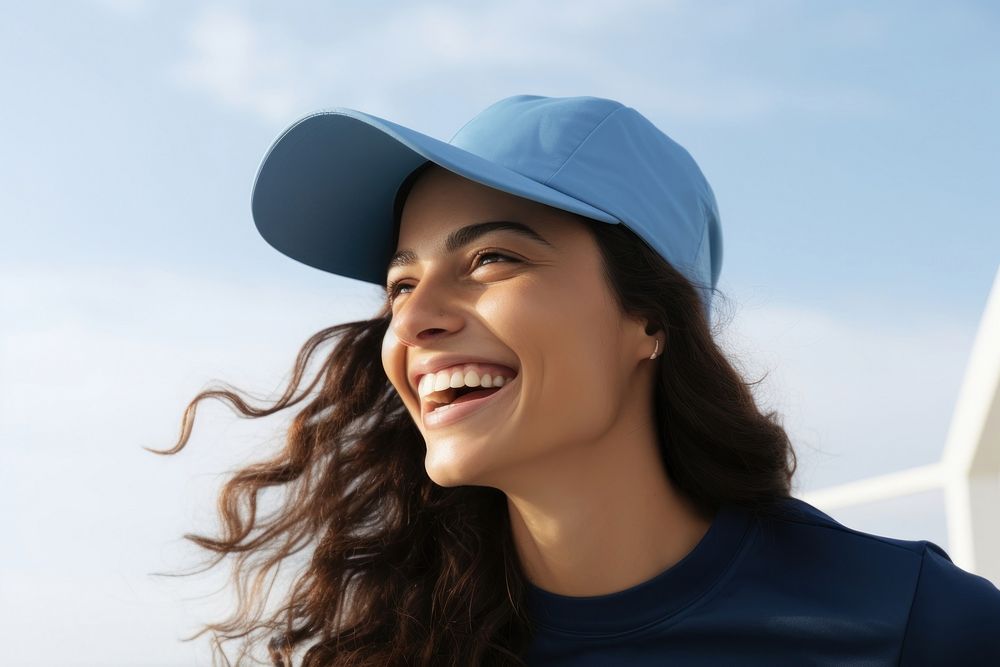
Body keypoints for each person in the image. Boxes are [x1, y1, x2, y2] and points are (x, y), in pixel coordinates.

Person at [156, 95, 1000, 666]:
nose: (413, 323)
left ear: (651, 319)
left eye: (491, 258)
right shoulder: (390, 637)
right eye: (401, 284)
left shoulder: (917, 625)